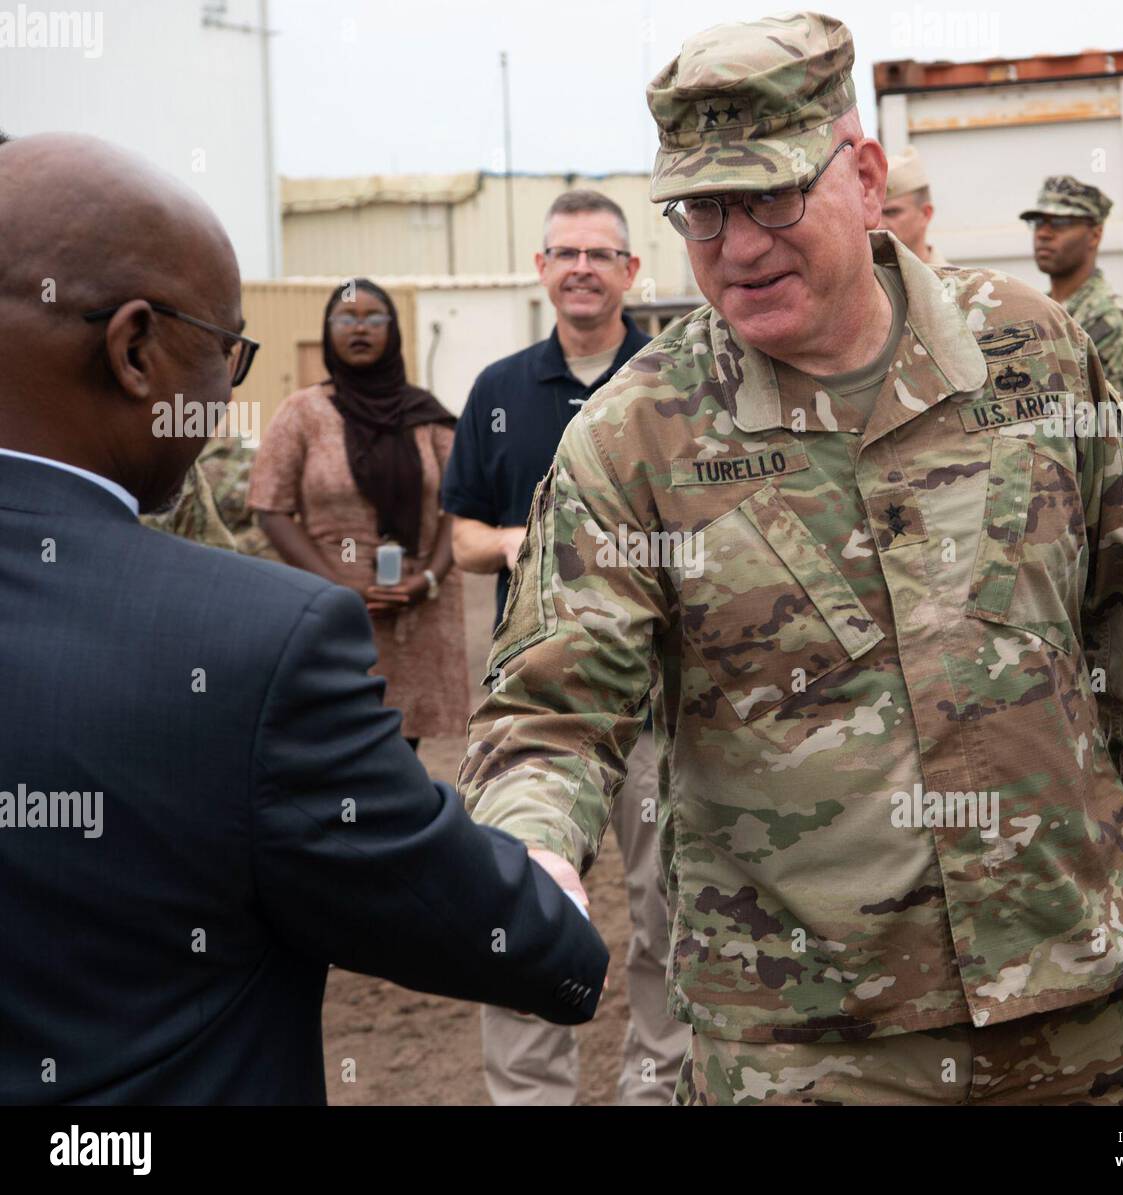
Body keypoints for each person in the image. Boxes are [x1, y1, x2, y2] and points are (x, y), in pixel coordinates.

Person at [459, 12, 1123, 1106]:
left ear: (865, 177)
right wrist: (532, 849)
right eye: (702, 210)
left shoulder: (1033, 350)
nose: (736, 245)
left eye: (772, 196)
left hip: (1097, 1004)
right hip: (813, 1044)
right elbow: (551, 710)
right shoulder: (633, 437)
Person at [0, 133, 608, 1105]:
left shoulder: (422, 420)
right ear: (136, 349)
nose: (225, 392)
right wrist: (546, 888)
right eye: (224, 352)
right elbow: (466, 919)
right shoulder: (248, 647)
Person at [442, 190, 688, 1106]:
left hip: (663, 705)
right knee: (525, 908)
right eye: (564, 251)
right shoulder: (499, 391)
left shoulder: (675, 381)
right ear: (541, 270)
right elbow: (458, 536)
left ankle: (656, 1092)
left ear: (631, 271)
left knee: (672, 914)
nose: (581, 266)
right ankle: (531, 1099)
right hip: (539, 707)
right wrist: (521, 542)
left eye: (601, 252)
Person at [250, 280, 466, 752]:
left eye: (374, 318)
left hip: (413, 609)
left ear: (393, 331)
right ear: (328, 333)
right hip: (332, 608)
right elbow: (270, 507)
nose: (360, 328)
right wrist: (335, 586)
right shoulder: (302, 412)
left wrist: (428, 578)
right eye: (346, 318)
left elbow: (460, 503)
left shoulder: (425, 415)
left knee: (400, 748)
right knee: (335, 739)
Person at [1022, 175, 1123, 405]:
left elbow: (1109, 425)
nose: (1043, 233)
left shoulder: (1113, 318)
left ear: (1095, 234)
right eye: (1039, 222)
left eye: (1060, 223)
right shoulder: (1039, 309)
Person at [879, 144, 948, 265]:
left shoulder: (960, 282)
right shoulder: (864, 281)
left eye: (891, 212)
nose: (878, 225)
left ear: (925, 214)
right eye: (874, 213)